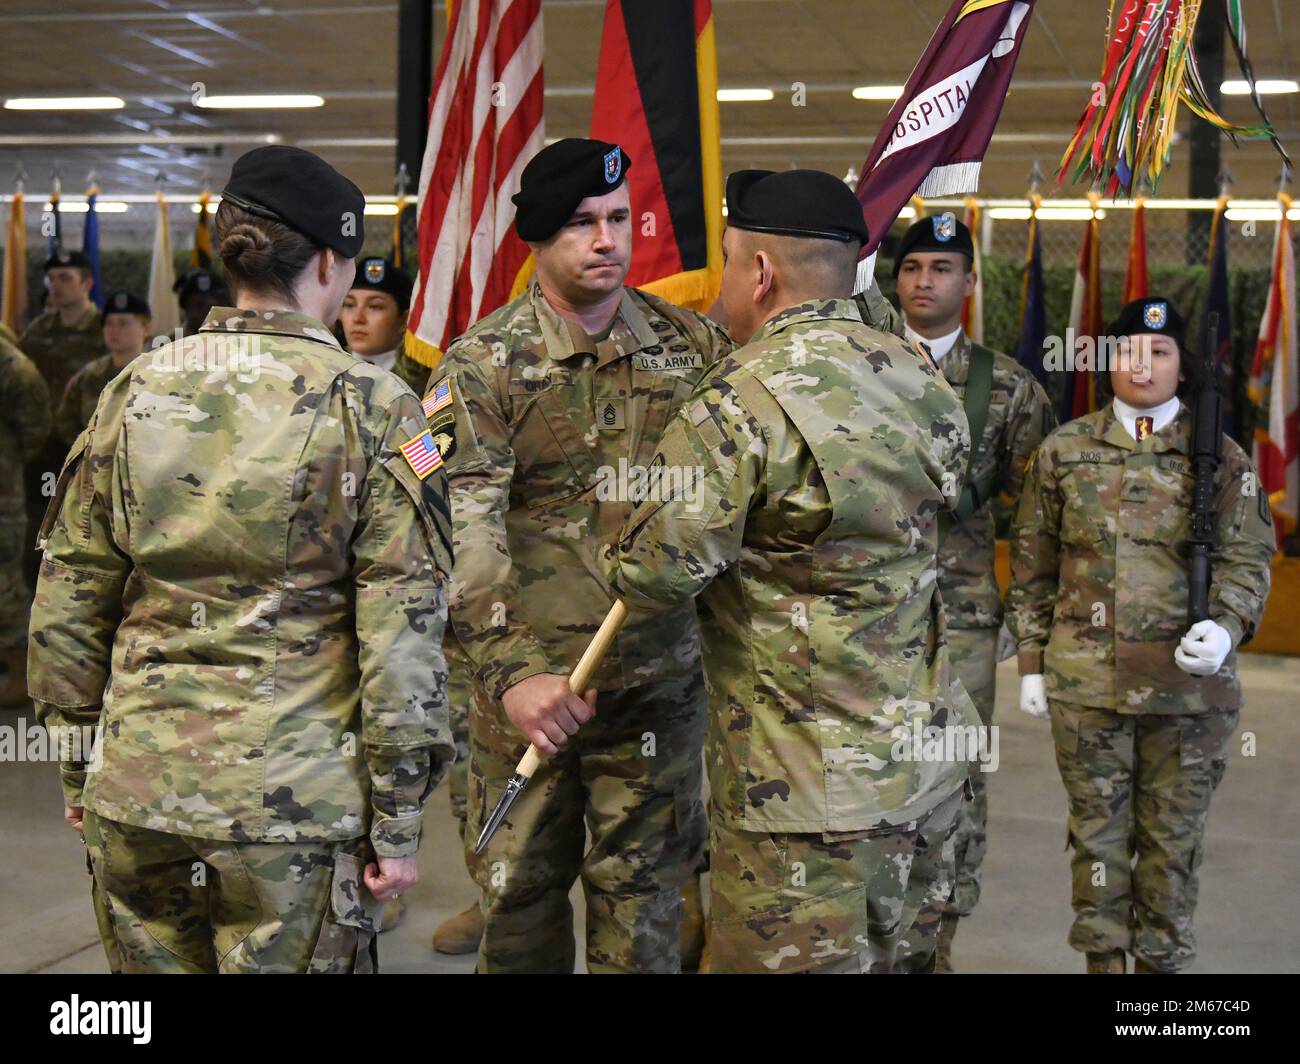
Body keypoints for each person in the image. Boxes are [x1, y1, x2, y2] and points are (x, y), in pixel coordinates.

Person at [28, 145, 456, 974]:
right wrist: (400, 819)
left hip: (140, 787)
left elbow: (69, 596)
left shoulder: (133, 388)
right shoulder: (375, 405)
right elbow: (402, 628)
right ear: (331, 262)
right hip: (294, 807)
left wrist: (79, 767)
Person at [604, 169, 980, 974]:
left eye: (732, 265)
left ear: (761, 274)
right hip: (927, 773)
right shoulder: (926, 382)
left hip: (803, 801)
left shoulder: (739, 400)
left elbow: (654, 571)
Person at [424, 137, 729, 973]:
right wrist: (516, 676)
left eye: (619, 218)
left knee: (650, 905)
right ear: (537, 239)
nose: (608, 241)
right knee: (519, 903)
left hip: (656, 688)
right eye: (582, 225)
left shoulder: (692, 347)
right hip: (523, 697)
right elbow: (461, 535)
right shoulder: (478, 369)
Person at [1007, 296, 1274, 974]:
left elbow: (1248, 556)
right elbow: (1034, 564)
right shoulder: (1064, 452)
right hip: (1086, 689)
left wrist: (1229, 624)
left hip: (1188, 696)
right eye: (1128, 349)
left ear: (1182, 368)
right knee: (1097, 844)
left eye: (1160, 351)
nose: (1142, 363)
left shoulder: (1220, 455)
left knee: (1171, 846)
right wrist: (1032, 664)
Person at [892, 214, 1056, 969]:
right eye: (913, 266)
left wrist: (1030, 636)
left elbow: (1034, 523)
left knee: (956, 775)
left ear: (969, 280)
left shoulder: (1011, 389)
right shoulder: (861, 365)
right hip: (858, 613)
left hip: (961, 620)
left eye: (941, 268)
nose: (925, 281)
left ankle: (939, 940)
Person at [0, 323, 50, 707]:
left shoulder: (13, 366)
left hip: (3, 496)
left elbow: (36, 428)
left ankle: (19, 668)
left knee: (5, 582)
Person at [53, 291, 151, 447]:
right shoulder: (89, 376)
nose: (114, 330)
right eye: (109, 323)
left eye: (123, 323)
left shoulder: (159, 374)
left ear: (145, 328)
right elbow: (66, 423)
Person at [20, 249, 106, 404]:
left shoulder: (107, 329)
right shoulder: (38, 329)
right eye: (51, 279)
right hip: (43, 424)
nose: (55, 285)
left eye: (65, 278)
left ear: (87, 284)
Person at [339, 256, 428, 394]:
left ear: (405, 320)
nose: (358, 318)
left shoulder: (424, 384)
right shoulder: (329, 370)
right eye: (349, 305)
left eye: (374, 307)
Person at [173, 268, 231, 337]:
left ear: (222, 302)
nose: (193, 314)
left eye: (199, 306)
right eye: (188, 309)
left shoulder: (240, 336)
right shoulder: (177, 341)